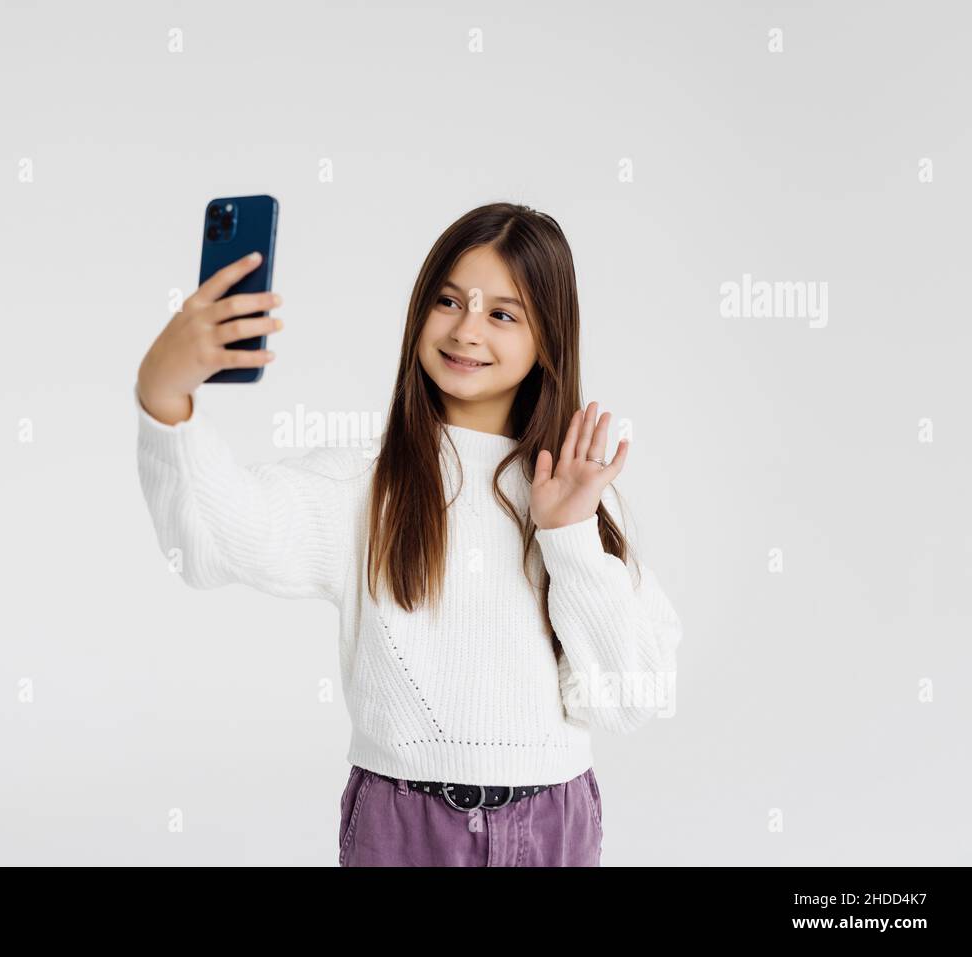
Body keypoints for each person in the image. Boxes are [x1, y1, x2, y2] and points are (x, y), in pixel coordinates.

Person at [134, 202, 684, 866]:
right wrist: (164, 397)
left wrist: (568, 535)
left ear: (549, 340)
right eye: (449, 301)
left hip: (552, 823)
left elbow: (629, 698)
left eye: (503, 313)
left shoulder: (581, 494)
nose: (467, 330)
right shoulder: (366, 482)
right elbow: (209, 541)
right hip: (404, 823)